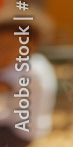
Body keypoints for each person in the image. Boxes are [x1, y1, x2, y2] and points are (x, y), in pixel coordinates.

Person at [0, 10, 57, 147]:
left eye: (7, 48)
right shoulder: (38, 62)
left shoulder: (27, 70)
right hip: (19, 124)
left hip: (19, 131)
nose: (2, 53)